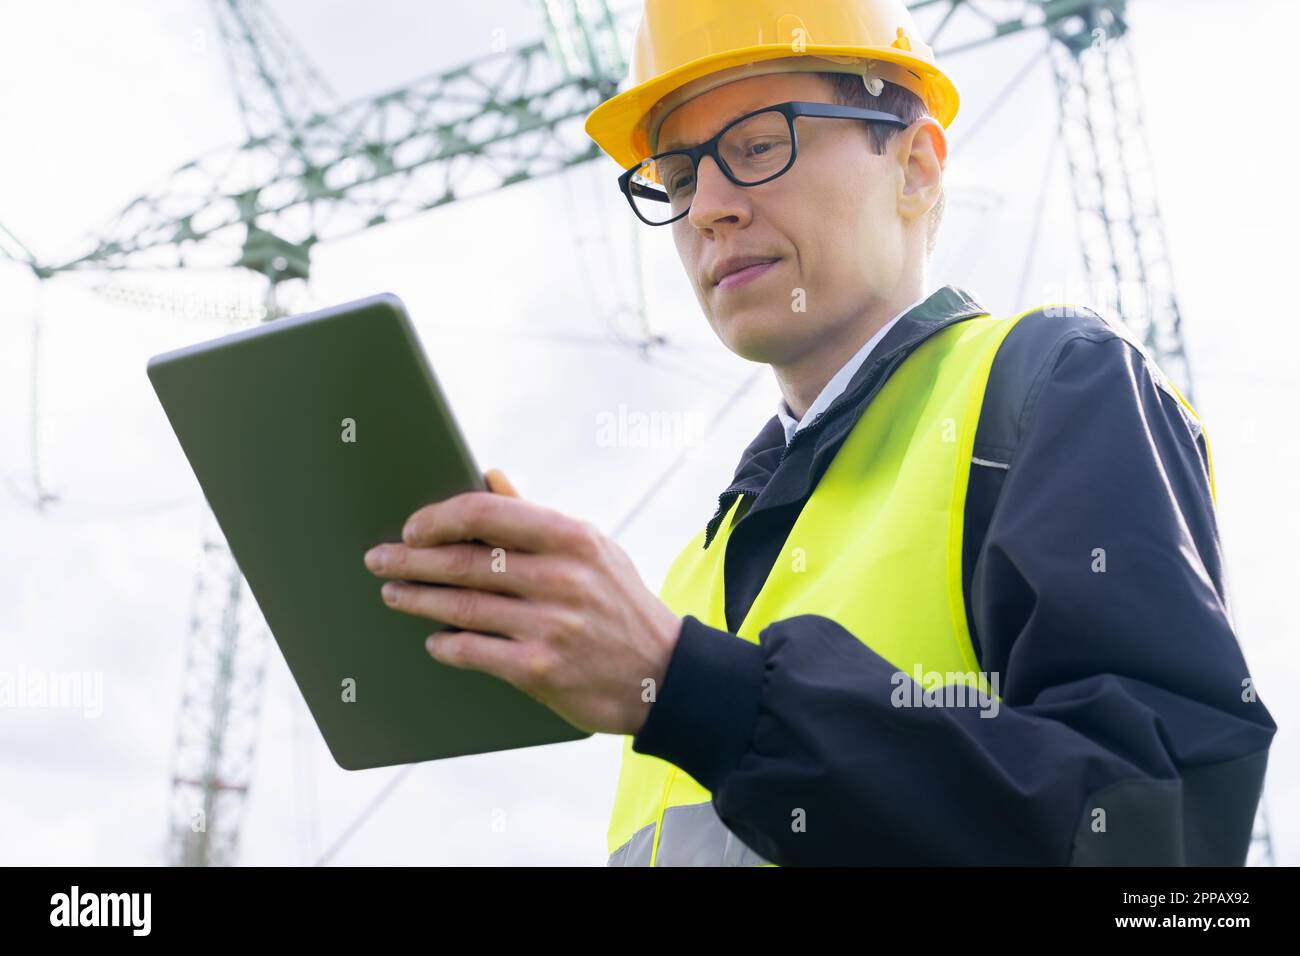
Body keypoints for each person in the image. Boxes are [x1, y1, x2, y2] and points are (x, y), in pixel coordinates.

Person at [363, 0, 1276, 865]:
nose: (709, 207)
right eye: (678, 178)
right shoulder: (699, 573)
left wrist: (694, 688)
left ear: (916, 167)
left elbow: (1164, 847)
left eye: (758, 146)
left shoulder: (1049, 386)